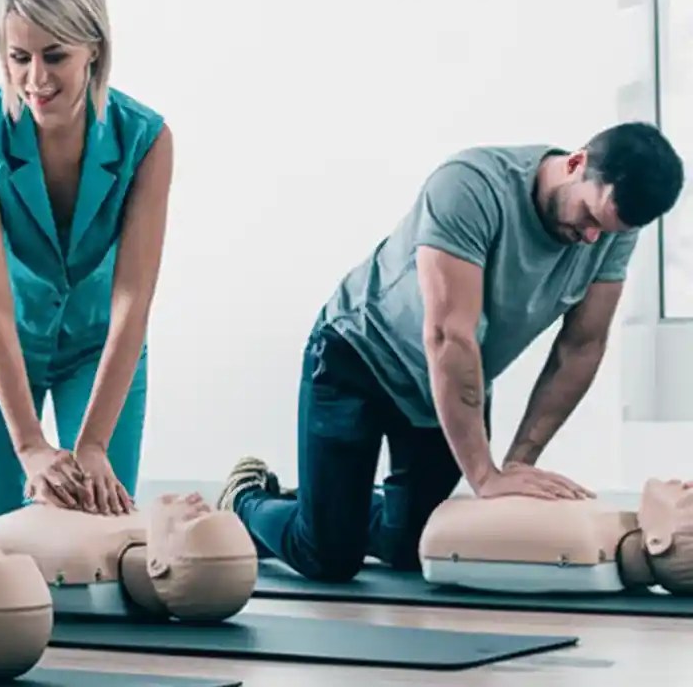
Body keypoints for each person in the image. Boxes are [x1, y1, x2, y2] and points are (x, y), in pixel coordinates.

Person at [216, 122, 685, 583]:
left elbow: (581, 346)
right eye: (589, 218)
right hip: (356, 358)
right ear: (577, 163)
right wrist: (485, 476)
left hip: (443, 382)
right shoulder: (469, 185)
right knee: (328, 557)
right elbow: (447, 336)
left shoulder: (612, 227)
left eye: (605, 230)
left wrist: (517, 464)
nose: (590, 239)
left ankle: (329, 504)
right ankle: (247, 497)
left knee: (416, 548)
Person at [0, 0, 175, 552]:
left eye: (54, 56)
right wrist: (31, 445)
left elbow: (133, 303)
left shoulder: (148, 139)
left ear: (94, 50)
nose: (36, 79)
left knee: (98, 542)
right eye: (19, 57)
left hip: (99, 344)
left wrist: (92, 446)